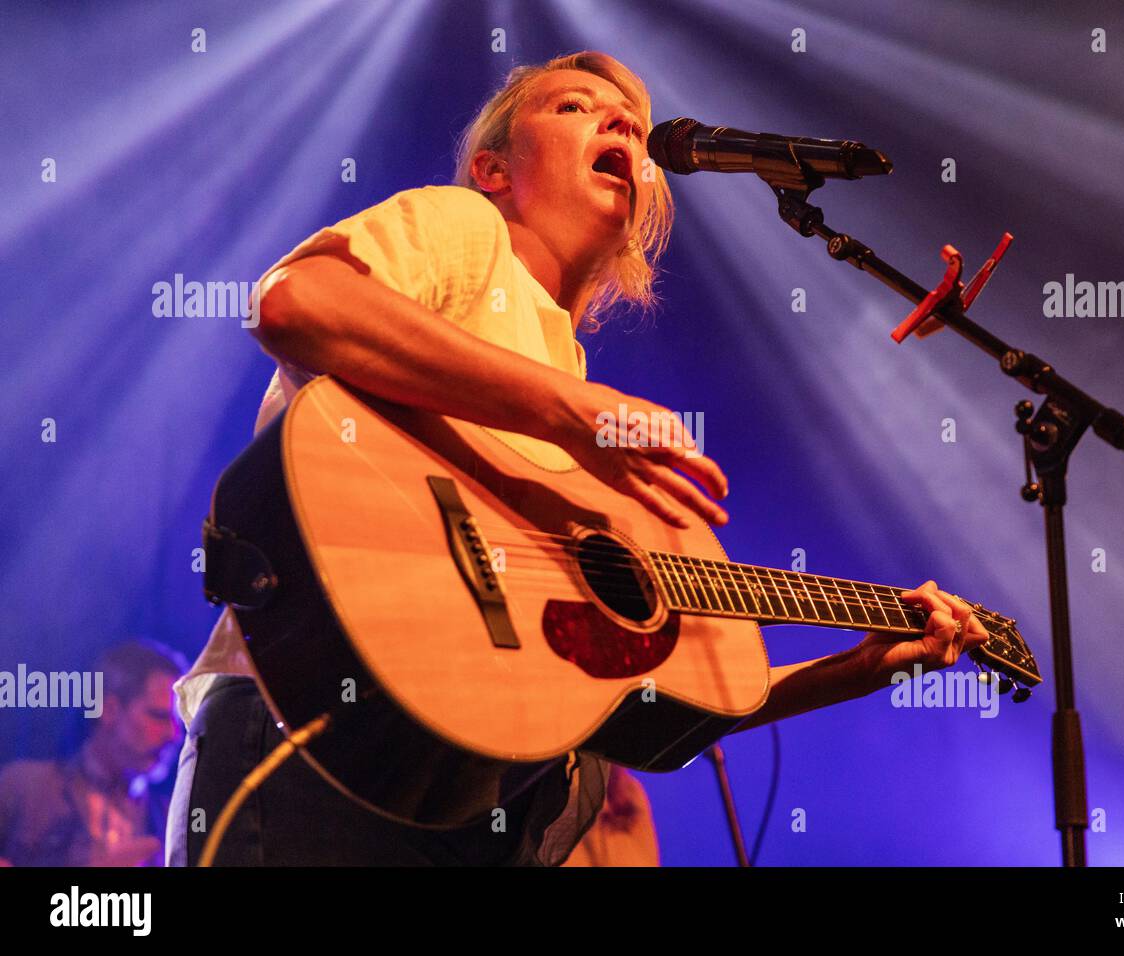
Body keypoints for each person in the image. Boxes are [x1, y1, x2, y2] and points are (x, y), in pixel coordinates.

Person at [168, 50, 988, 867]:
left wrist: (850, 669)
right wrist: (570, 414)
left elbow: (634, 700)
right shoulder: (468, 232)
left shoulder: (569, 381)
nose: (623, 125)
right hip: (311, 751)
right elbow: (296, 301)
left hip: (468, 805)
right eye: (572, 107)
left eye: (631, 121)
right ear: (493, 168)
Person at [0, 639, 185, 867]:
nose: (174, 735)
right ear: (109, 710)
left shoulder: (171, 819)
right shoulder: (24, 786)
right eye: (158, 716)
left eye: (179, 722)